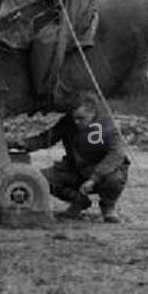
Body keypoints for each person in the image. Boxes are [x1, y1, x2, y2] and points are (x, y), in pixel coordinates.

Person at [11, 92, 128, 222]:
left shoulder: (108, 126)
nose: (76, 122)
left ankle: (108, 208)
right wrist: (22, 144)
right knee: (42, 178)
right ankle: (79, 202)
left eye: (81, 118)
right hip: (75, 169)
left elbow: (116, 155)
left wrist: (94, 178)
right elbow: (47, 138)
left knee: (115, 178)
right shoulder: (68, 122)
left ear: (92, 113)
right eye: (74, 118)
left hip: (101, 172)